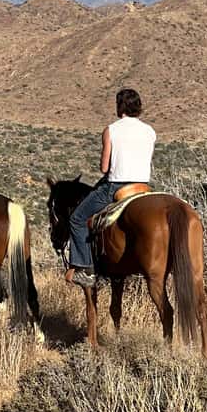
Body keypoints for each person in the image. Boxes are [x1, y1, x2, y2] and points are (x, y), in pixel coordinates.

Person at [67, 88, 156, 287]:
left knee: (77, 219)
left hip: (116, 187)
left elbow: (104, 168)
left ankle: (85, 269)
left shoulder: (111, 130)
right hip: (143, 187)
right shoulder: (150, 131)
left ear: (119, 106)